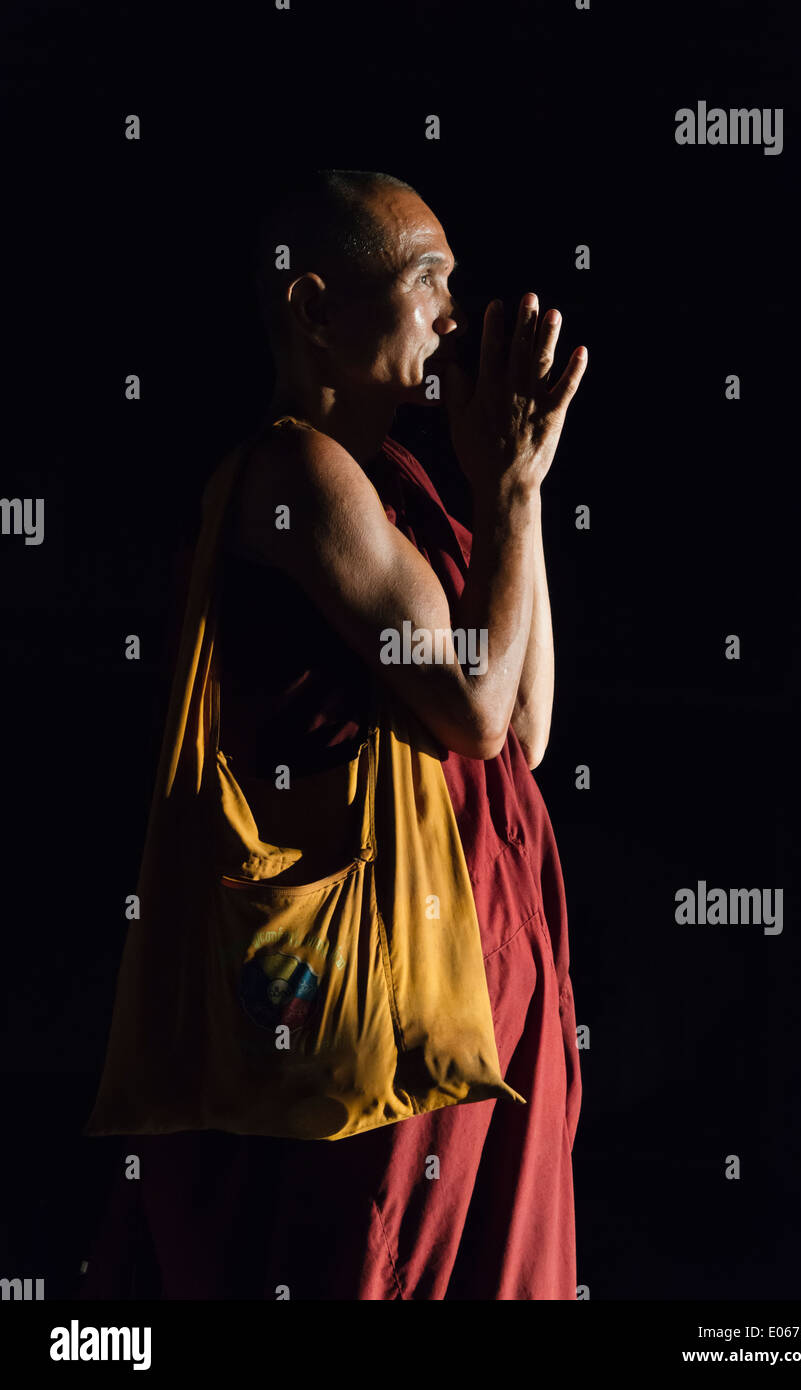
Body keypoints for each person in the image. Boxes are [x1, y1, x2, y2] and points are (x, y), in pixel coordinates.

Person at [82, 169, 588, 1300]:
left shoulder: (423, 496)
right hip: (368, 988)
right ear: (314, 308)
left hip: (474, 983)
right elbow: (471, 702)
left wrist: (522, 484)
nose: (457, 320)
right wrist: (501, 495)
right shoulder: (296, 471)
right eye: (428, 285)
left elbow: (529, 730)